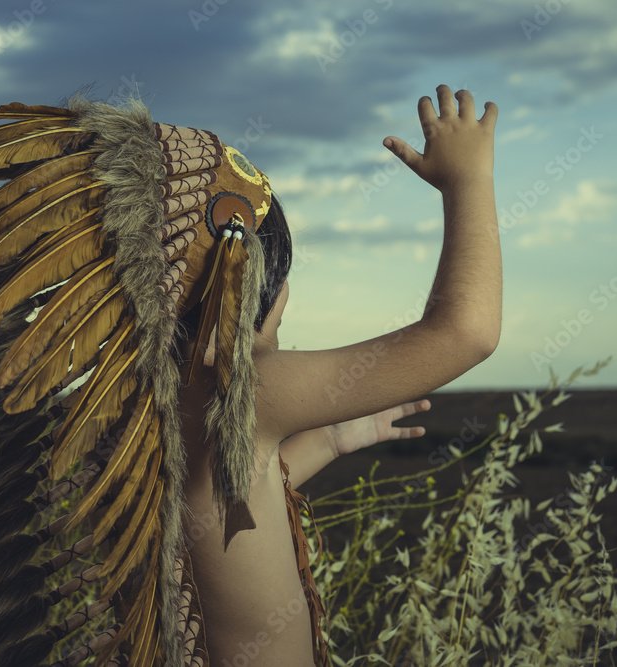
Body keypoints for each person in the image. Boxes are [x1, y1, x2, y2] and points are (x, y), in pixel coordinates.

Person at [177, 84, 500, 666]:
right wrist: (467, 182)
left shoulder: (149, 418)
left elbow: (224, 508)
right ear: (240, 299)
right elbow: (466, 333)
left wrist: (330, 437)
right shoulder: (245, 393)